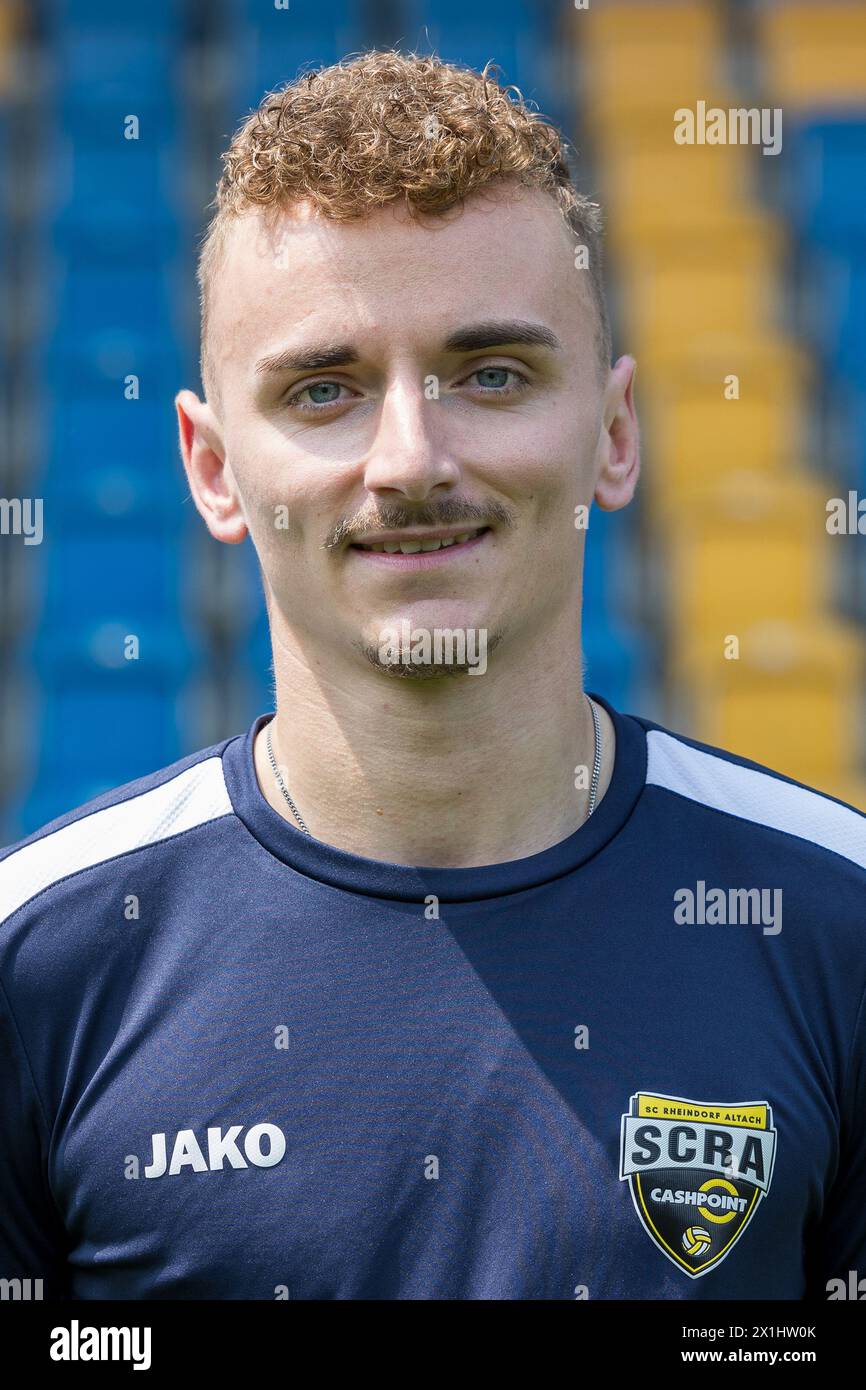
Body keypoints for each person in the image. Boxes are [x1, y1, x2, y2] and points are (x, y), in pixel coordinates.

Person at [1, 51, 863, 1301]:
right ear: (211, 467)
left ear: (614, 433)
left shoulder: (832, 929)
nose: (410, 457)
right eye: (324, 390)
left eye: (490, 374)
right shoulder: (39, 965)